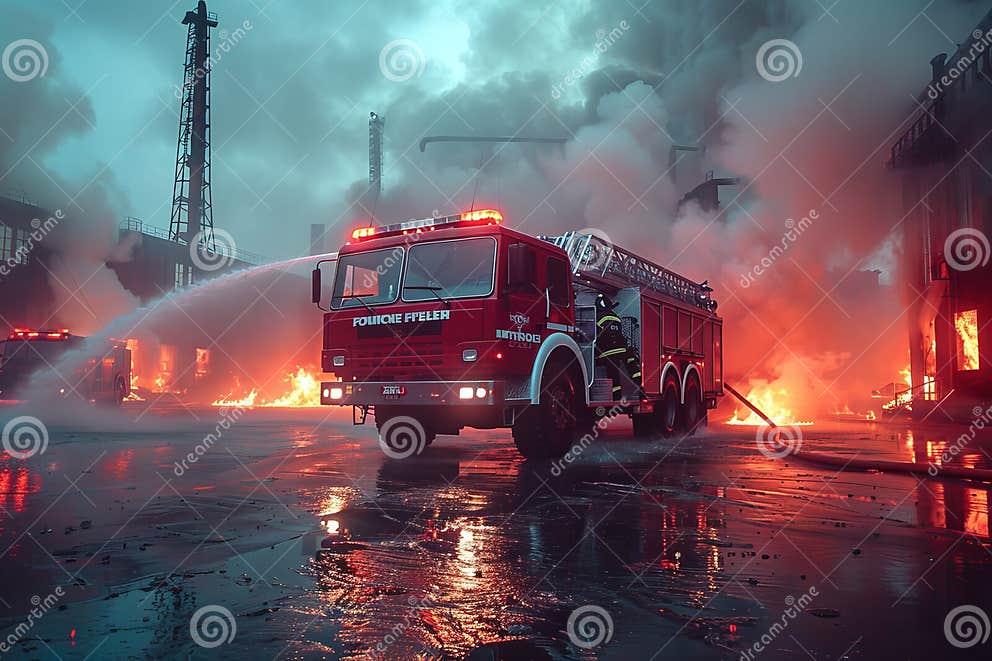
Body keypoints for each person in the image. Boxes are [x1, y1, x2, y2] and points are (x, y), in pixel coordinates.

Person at [595, 292, 640, 399]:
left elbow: (594, 335)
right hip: (621, 351)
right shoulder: (616, 317)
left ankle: (616, 397)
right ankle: (640, 386)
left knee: (613, 376)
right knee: (632, 364)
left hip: (606, 353)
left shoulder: (597, 318)